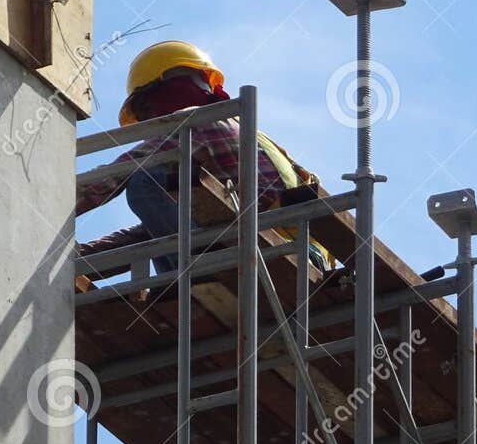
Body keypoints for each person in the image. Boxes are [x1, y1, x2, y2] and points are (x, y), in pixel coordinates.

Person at [75, 40, 329, 274]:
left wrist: (47, 205)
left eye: (145, 107)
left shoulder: (197, 123)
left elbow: (116, 175)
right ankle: (193, 277)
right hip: (287, 250)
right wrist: (82, 258)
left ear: (167, 90)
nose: (148, 120)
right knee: (161, 209)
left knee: (145, 180)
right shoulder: (242, 130)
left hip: (282, 252)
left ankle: (196, 276)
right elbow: (157, 232)